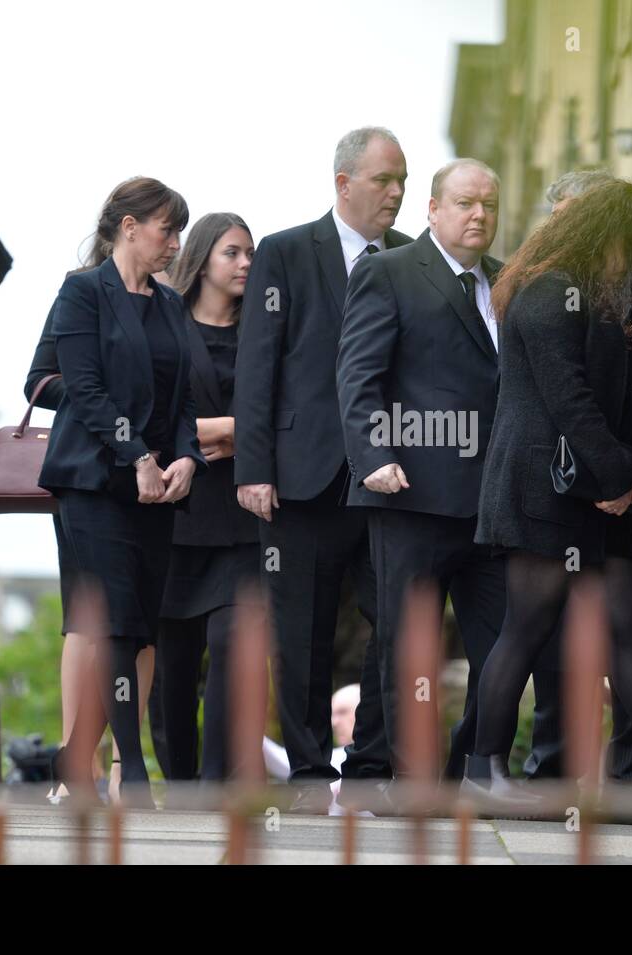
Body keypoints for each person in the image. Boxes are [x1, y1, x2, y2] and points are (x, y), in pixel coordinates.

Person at [468, 179, 632, 813]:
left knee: (628, 616)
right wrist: (618, 478)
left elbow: (625, 374)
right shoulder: (548, 291)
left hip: (580, 492)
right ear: (604, 234)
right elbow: (571, 401)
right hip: (544, 492)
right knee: (526, 627)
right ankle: (482, 769)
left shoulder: (590, 294)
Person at [233, 127, 412, 813]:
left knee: (396, 619)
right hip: (299, 478)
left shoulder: (411, 259)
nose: (396, 193)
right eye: (383, 180)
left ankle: (368, 765)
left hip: (388, 480)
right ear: (344, 183)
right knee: (300, 635)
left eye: (403, 181)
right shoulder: (284, 252)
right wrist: (254, 467)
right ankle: (308, 774)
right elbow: (258, 364)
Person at [336, 159, 505, 805]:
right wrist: (372, 455)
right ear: (433, 209)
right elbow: (358, 374)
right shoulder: (390, 271)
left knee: (503, 643)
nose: (479, 215)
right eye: (465, 202)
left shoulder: (508, 280)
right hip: (410, 492)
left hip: (492, 501)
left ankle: (472, 772)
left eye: (489, 204)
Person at [523, 171, 632, 784]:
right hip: (563, 483)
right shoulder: (546, 290)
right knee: (546, 631)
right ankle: (547, 772)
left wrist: (604, 422)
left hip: (628, 483)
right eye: (562, 217)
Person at [37, 176, 204, 809]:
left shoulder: (170, 305)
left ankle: (76, 756)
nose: (176, 243)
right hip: (93, 482)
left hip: (154, 490)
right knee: (113, 625)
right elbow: (82, 387)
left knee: (137, 630)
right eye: (167, 229)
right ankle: (131, 773)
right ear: (129, 227)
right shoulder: (83, 292)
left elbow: (184, 398)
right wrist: (136, 454)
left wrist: (186, 457)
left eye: (180, 231)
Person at [149, 213, 261, 786]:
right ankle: (180, 782)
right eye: (232, 253)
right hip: (176, 515)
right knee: (172, 664)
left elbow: (284, 411)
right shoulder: (164, 322)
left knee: (233, 647)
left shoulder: (263, 329)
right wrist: (219, 431)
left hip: (245, 520)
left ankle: (216, 786)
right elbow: (147, 411)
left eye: (250, 254)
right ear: (201, 260)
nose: (246, 264)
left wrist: (228, 431)